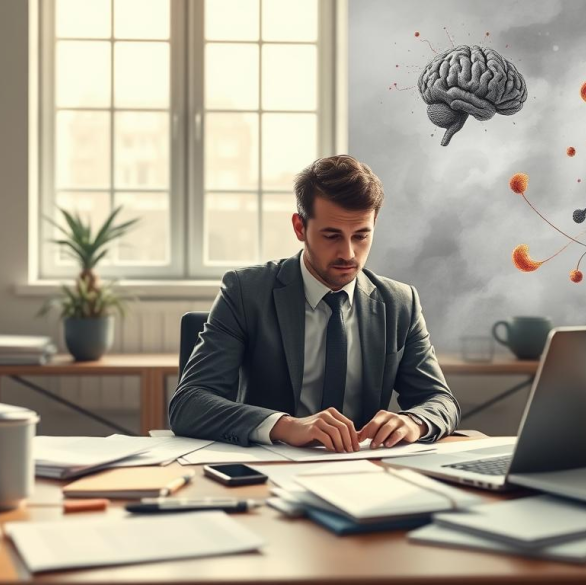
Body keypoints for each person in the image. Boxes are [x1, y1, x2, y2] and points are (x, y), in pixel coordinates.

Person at [169, 155, 460, 452]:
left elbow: (440, 401)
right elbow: (189, 403)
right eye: (331, 236)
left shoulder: (399, 303)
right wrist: (287, 426)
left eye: (361, 236)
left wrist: (414, 422)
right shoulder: (245, 291)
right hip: (271, 469)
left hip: (363, 470)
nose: (348, 253)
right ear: (299, 228)